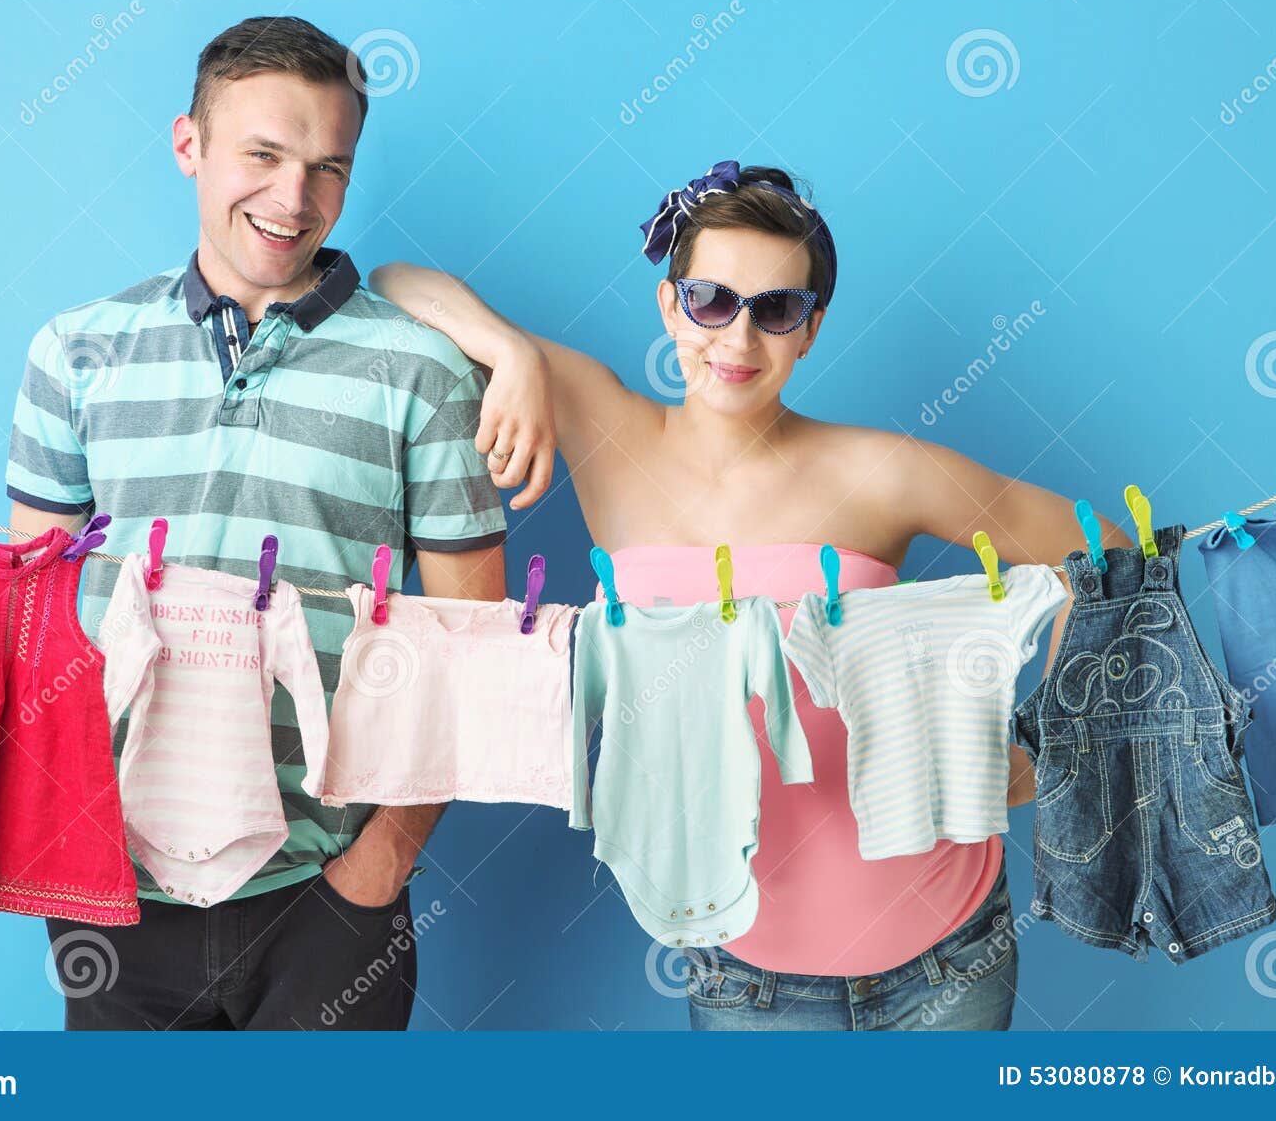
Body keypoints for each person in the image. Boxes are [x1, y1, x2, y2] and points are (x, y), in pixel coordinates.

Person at [371, 160, 1132, 1030]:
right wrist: (510, 354)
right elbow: (397, 283)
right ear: (669, 305)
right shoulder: (608, 430)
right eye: (711, 301)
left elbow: (1107, 553)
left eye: (776, 311)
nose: (737, 340)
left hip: (951, 954)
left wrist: (1042, 747)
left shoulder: (880, 474)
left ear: (809, 331)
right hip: (746, 972)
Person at [5, 16, 508, 1030]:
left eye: (328, 167)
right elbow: (33, 620)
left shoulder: (423, 369)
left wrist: (381, 862)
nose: (293, 200)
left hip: (328, 892)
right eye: (263, 155)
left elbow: (473, 647)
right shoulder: (77, 351)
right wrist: (60, 840)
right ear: (188, 143)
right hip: (112, 886)